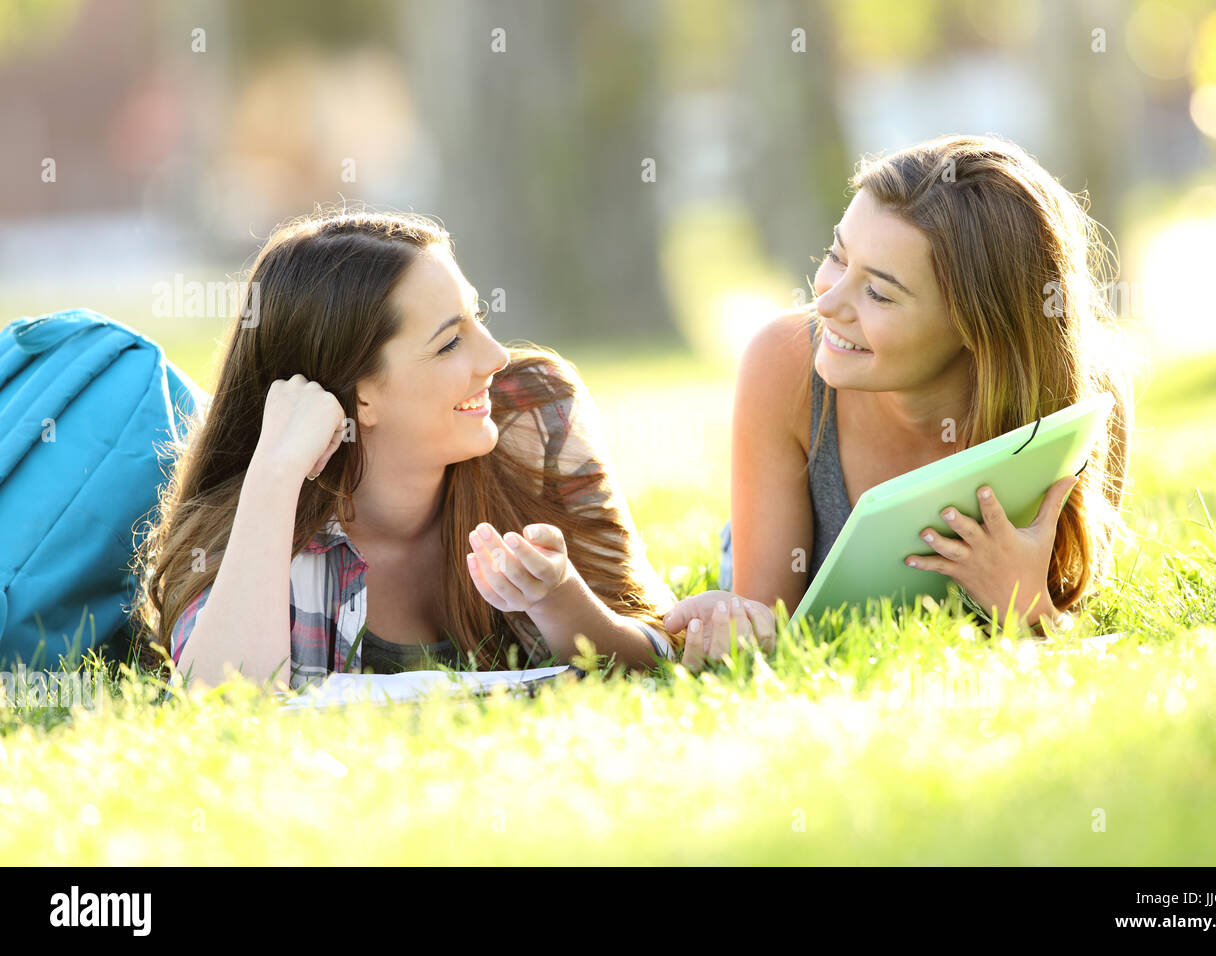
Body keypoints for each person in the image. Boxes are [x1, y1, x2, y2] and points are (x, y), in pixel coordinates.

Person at [128, 209, 677, 692]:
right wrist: (274, 480)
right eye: (450, 342)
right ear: (358, 394)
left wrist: (559, 597)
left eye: (477, 318)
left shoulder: (532, 416)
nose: (495, 357)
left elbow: (661, 650)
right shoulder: (258, 520)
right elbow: (225, 703)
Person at [664, 134, 1135, 670]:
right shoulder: (783, 363)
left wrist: (1025, 610)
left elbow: (1073, 651)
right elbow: (767, 634)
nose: (828, 301)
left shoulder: (1075, 396)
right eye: (837, 257)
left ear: (976, 327)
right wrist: (741, 629)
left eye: (880, 293)